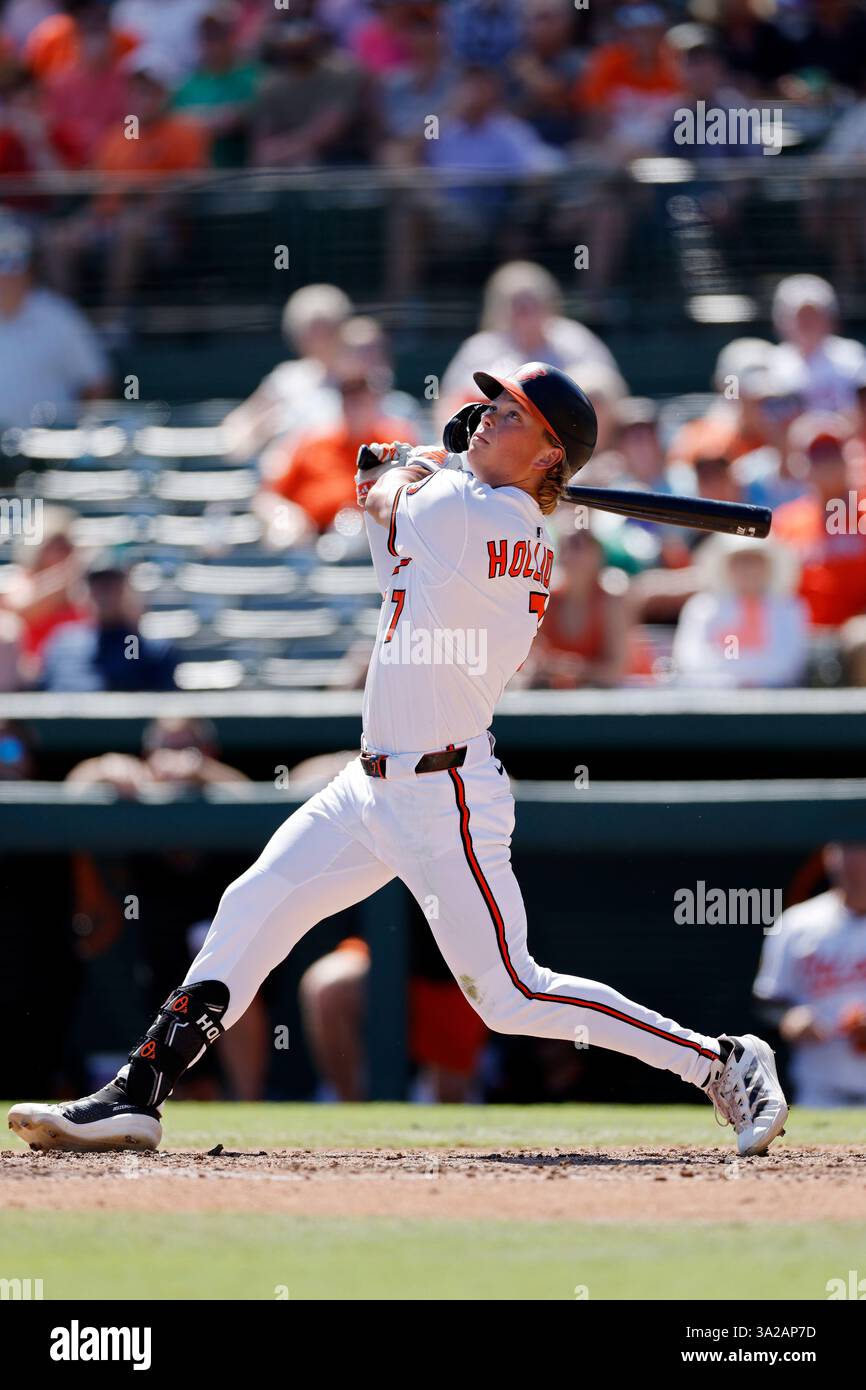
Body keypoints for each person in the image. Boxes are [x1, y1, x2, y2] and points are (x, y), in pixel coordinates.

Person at [8, 361, 789, 1157]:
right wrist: (411, 468)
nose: (487, 415)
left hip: (444, 793)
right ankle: (136, 1095)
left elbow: (382, 495)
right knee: (252, 907)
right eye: (491, 402)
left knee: (511, 994)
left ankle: (720, 1061)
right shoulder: (483, 513)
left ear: (551, 457)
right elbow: (392, 545)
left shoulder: (475, 515)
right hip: (370, 784)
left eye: (513, 416)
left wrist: (397, 465)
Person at [255, 355, 418, 544]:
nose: (354, 403)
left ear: (376, 400)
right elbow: (267, 497)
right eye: (348, 395)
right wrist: (285, 515)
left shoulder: (398, 443)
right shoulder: (313, 442)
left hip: (378, 545)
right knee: (282, 538)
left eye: (362, 394)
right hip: (312, 540)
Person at [438, 260, 617, 429]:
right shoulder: (480, 348)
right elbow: (449, 407)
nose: (524, 314)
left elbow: (609, 396)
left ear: (548, 305)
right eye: (517, 306)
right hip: (497, 447)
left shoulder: (573, 339)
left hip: (567, 445)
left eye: (531, 304)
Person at [753, 842, 866, 1107]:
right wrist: (789, 1016)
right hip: (820, 1090)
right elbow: (767, 1000)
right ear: (829, 859)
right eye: (848, 852)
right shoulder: (798, 922)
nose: (856, 865)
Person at [222, 283, 353, 460]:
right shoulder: (286, 379)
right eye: (311, 331)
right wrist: (258, 432)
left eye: (326, 329)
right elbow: (239, 426)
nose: (319, 339)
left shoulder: (358, 379)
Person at [0, 218, 108, 426]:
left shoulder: (59, 316)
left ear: (30, 267)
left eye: (16, 260)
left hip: (49, 451)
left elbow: (96, 383)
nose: (7, 272)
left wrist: (82, 436)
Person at [671, 533, 810, 688]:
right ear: (726, 566)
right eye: (740, 561)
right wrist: (731, 682)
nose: (748, 569)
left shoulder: (789, 608)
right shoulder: (702, 608)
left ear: (769, 566)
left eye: (754, 561)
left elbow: (789, 663)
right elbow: (690, 659)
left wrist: (747, 681)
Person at [40, 558, 178, 691]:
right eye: (97, 586)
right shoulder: (63, 643)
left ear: (126, 589)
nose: (104, 595)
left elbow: (169, 707)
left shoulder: (146, 649)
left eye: (111, 585)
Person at [523, 527, 629, 689]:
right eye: (567, 547)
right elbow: (528, 663)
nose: (572, 555)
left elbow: (616, 669)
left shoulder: (611, 603)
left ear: (598, 556)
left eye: (580, 546)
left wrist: (577, 671)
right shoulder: (545, 598)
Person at [771, 275, 866, 415]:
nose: (807, 323)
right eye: (801, 316)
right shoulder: (773, 363)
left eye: (813, 315)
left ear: (829, 319)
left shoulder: (852, 357)